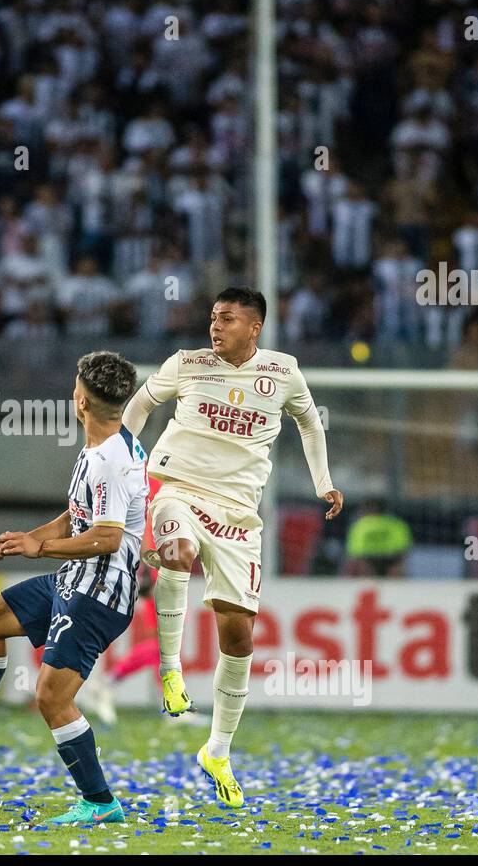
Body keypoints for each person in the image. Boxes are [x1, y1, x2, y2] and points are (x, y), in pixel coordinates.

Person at [122, 287, 345, 807]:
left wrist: (323, 483)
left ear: (255, 327)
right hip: (176, 487)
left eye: (227, 319)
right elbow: (140, 403)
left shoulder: (284, 372)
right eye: (212, 317)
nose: (215, 326)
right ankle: (171, 671)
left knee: (238, 635)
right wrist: (126, 462)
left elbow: (310, 424)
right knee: (175, 553)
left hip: (239, 515)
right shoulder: (187, 363)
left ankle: (217, 750)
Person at [0, 351, 148, 825]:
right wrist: (35, 537)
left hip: (99, 594)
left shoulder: (110, 460)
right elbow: (77, 516)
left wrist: (37, 550)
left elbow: (106, 537)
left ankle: (100, 803)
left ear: (81, 400)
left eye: (74, 386)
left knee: (51, 698)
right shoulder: (106, 441)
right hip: (77, 579)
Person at [343, 501, 413, 577]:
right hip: (387, 560)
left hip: (381, 559)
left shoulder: (360, 525)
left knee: (358, 566)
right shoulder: (397, 524)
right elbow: (404, 551)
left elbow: (354, 554)